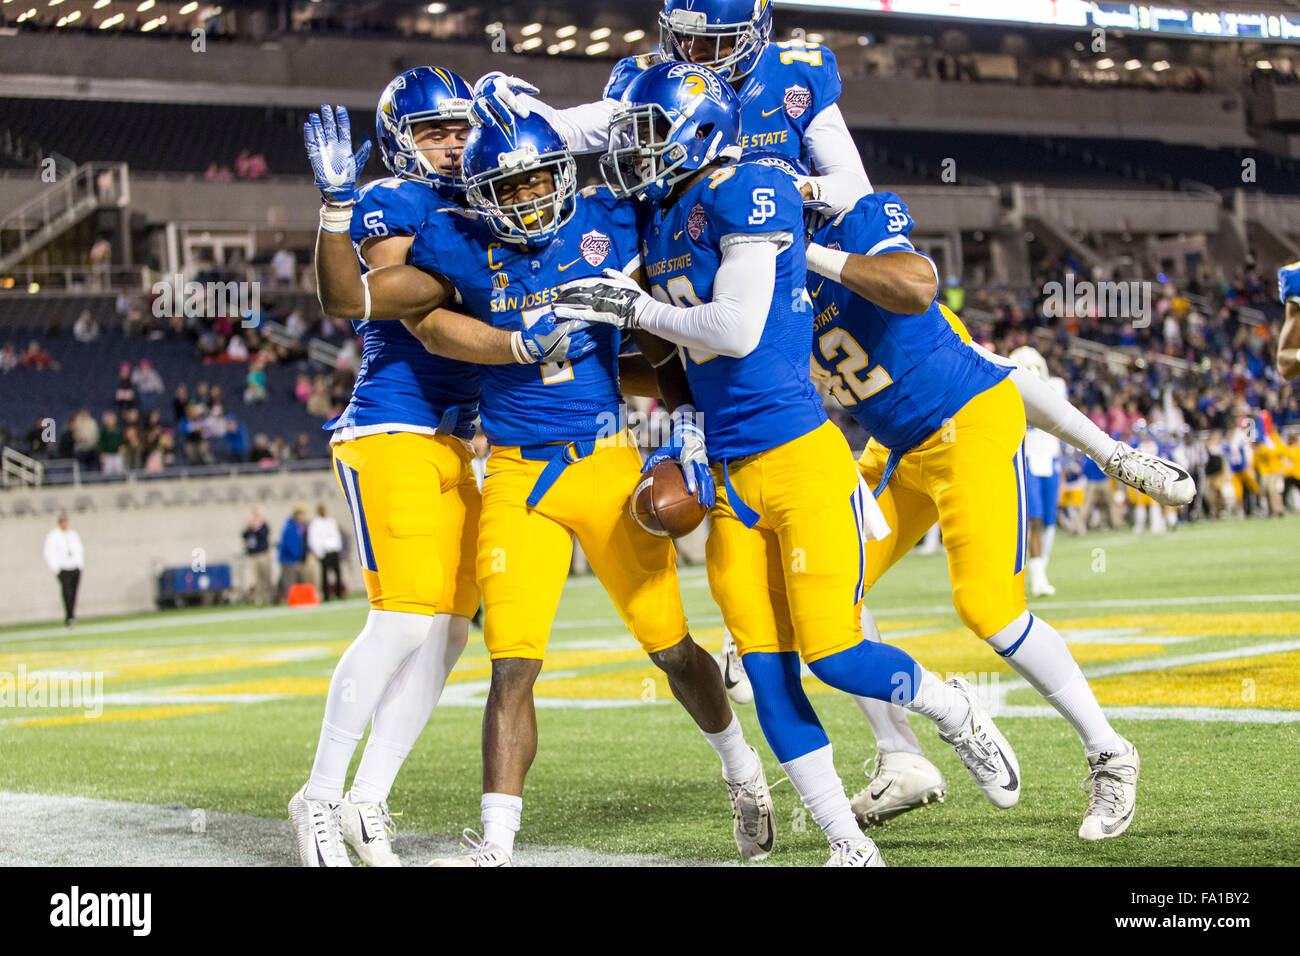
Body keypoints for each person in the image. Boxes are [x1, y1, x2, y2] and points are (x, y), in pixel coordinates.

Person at [553, 64, 1020, 866]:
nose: (634, 149)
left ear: (697, 134)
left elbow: (734, 329)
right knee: (767, 675)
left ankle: (954, 712)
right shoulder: (654, 213)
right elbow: (675, 352)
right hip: (730, 475)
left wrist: (629, 307)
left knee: (834, 654)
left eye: (649, 134)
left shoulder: (751, 188)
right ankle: (847, 844)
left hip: (800, 457)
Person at [309, 93, 775, 868]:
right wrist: (509, 345)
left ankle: (743, 771)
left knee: (670, 649)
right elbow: (387, 309)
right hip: (516, 477)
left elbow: (654, 330)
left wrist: (688, 414)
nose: (526, 199)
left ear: (564, 174)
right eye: (509, 187)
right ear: (482, 193)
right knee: (510, 665)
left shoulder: (605, 218)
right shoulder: (452, 237)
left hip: (604, 463)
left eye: (538, 181)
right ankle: (497, 843)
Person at [290, 77, 595, 868]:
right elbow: (354, 297)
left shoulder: (491, 201)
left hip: (458, 443)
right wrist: (333, 209)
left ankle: (368, 801)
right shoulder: (400, 199)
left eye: (460, 130)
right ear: (400, 141)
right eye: (433, 134)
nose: (453, 146)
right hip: (391, 425)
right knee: (402, 619)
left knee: (451, 632)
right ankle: (320, 796)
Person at [44, 513, 84, 626]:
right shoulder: (53, 536)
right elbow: (48, 553)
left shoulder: (73, 534)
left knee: (74, 593)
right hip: (63, 568)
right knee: (67, 593)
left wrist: (80, 565)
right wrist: (56, 569)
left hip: (75, 567)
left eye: (66, 521)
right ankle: (69, 617)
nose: (65, 523)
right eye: (63, 521)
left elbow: (79, 549)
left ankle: (71, 616)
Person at [307, 504, 344, 600]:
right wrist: (318, 552)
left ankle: (338, 593)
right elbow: (314, 539)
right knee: (324, 575)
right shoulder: (315, 523)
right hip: (324, 552)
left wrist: (338, 548)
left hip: (333, 550)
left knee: (338, 573)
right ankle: (326, 595)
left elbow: (336, 535)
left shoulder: (331, 521)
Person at [277, 505, 309, 599]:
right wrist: (297, 555)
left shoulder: (299, 526)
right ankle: (291, 600)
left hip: (295, 558)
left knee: (296, 581)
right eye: (302, 514)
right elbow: (290, 544)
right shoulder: (290, 527)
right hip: (289, 559)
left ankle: (298, 599)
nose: (303, 517)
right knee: (289, 582)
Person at [242, 508, 273, 607]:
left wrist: (256, 528)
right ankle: (259, 600)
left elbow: (263, 535)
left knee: (266, 577)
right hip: (254, 556)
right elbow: (244, 536)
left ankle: (268, 598)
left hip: (263, 554)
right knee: (256, 579)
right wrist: (249, 527)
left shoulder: (264, 526)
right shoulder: (250, 527)